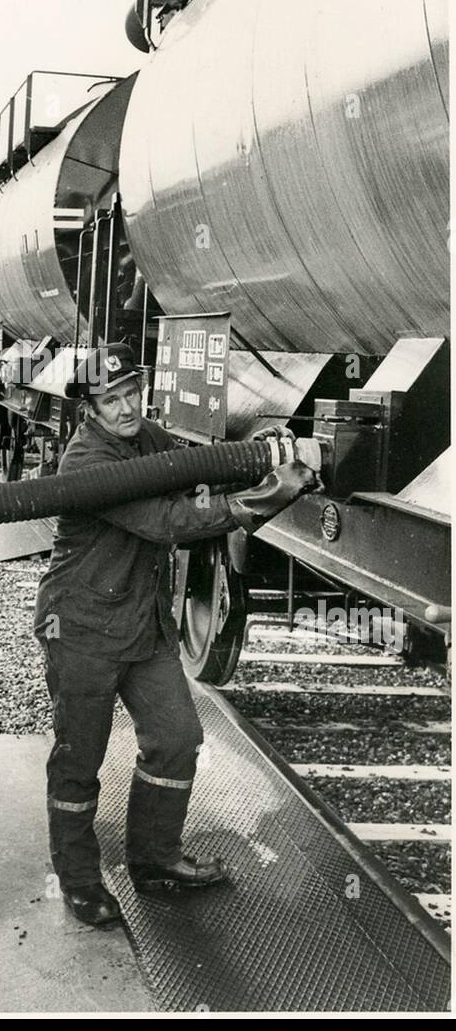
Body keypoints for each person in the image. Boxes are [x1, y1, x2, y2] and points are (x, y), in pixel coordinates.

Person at [33, 342, 316, 927]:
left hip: (144, 621)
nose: (126, 407)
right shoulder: (86, 464)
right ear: (90, 406)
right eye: (111, 399)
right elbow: (170, 522)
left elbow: (196, 476)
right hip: (83, 624)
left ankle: (156, 860)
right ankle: (80, 881)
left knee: (176, 737)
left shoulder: (149, 442)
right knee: (79, 759)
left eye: (132, 392)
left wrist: (271, 454)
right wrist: (268, 493)